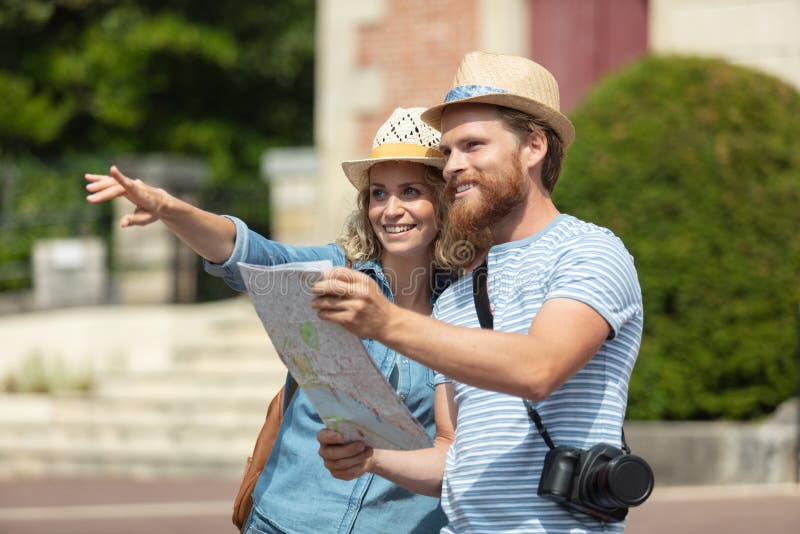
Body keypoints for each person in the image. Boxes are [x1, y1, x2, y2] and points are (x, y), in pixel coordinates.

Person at [85, 107, 487, 533]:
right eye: (378, 193)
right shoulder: (334, 272)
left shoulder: (468, 306)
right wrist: (170, 209)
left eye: (410, 191)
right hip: (282, 521)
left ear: (442, 200)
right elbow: (248, 254)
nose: (391, 209)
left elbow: (458, 449)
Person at [314, 51, 644, 533]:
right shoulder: (456, 296)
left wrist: (386, 321)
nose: (452, 166)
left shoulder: (588, 251)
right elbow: (452, 455)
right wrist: (371, 459)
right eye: (448, 151)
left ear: (533, 147)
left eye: (472, 146)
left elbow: (539, 368)